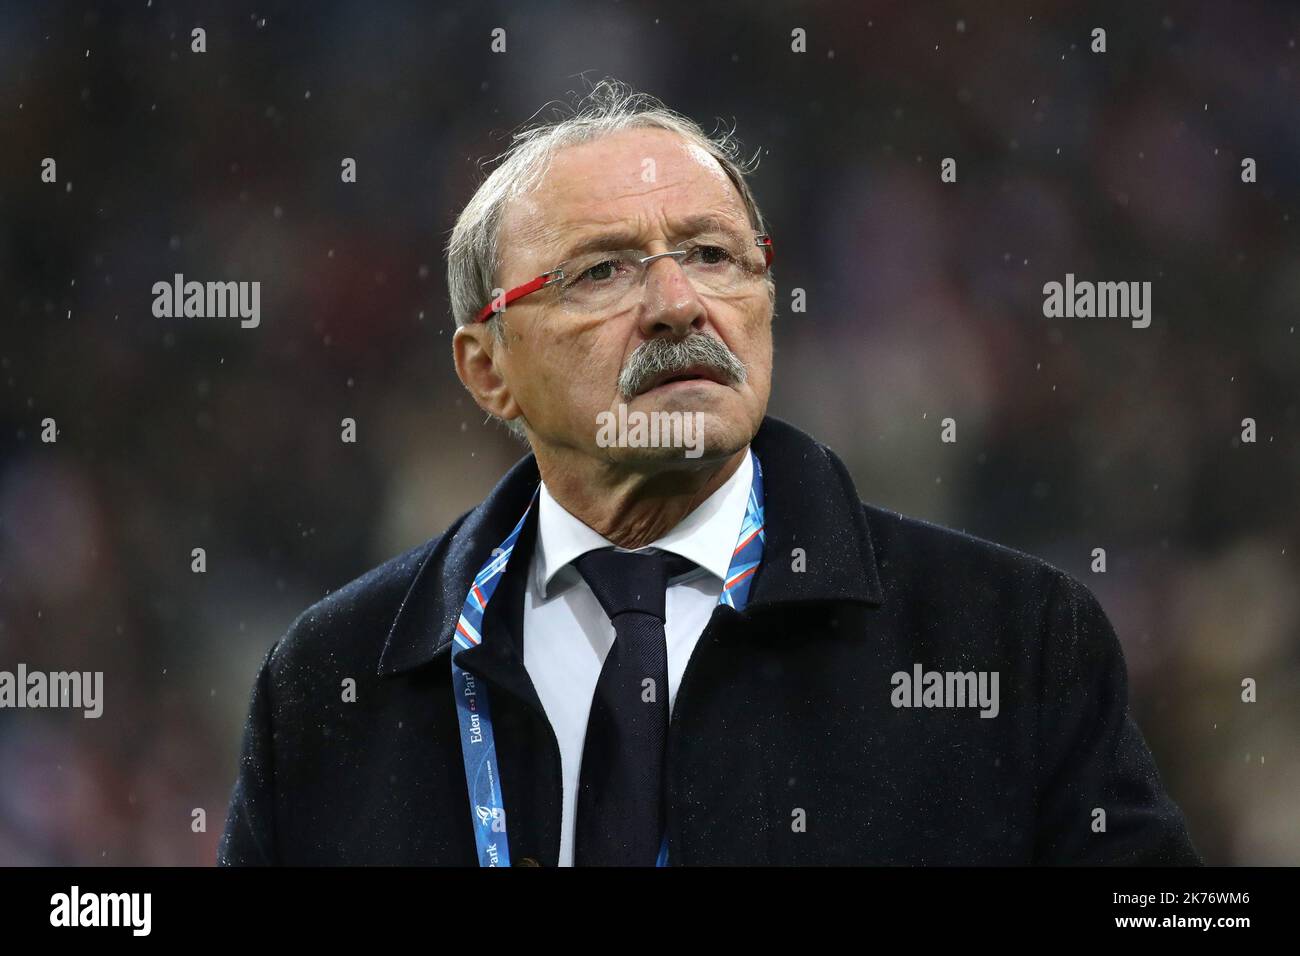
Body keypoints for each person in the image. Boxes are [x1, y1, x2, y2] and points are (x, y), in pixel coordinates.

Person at [218, 79, 1200, 866]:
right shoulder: (333, 678)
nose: (678, 303)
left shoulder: (1009, 636)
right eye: (602, 270)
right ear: (489, 368)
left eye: (714, 253)